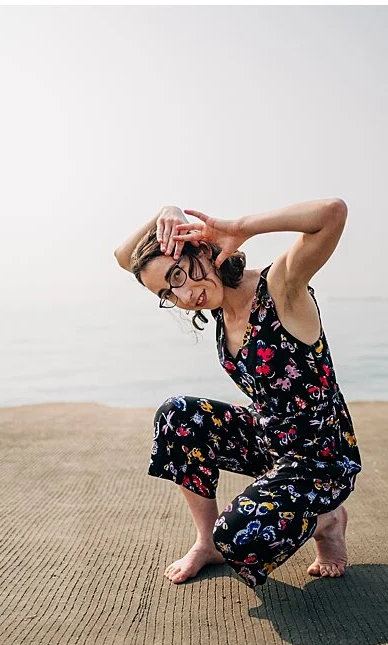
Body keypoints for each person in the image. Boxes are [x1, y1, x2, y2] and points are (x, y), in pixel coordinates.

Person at [115, 199, 358, 588]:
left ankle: (328, 520)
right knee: (177, 415)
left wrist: (241, 227)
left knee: (239, 539)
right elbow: (125, 258)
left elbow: (332, 213)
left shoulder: (281, 286)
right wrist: (167, 210)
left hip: (320, 459)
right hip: (268, 439)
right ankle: (205, 542)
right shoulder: (218, 307)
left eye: (179, 274)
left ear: (204, 248)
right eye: (168, 292)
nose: (183, 294)